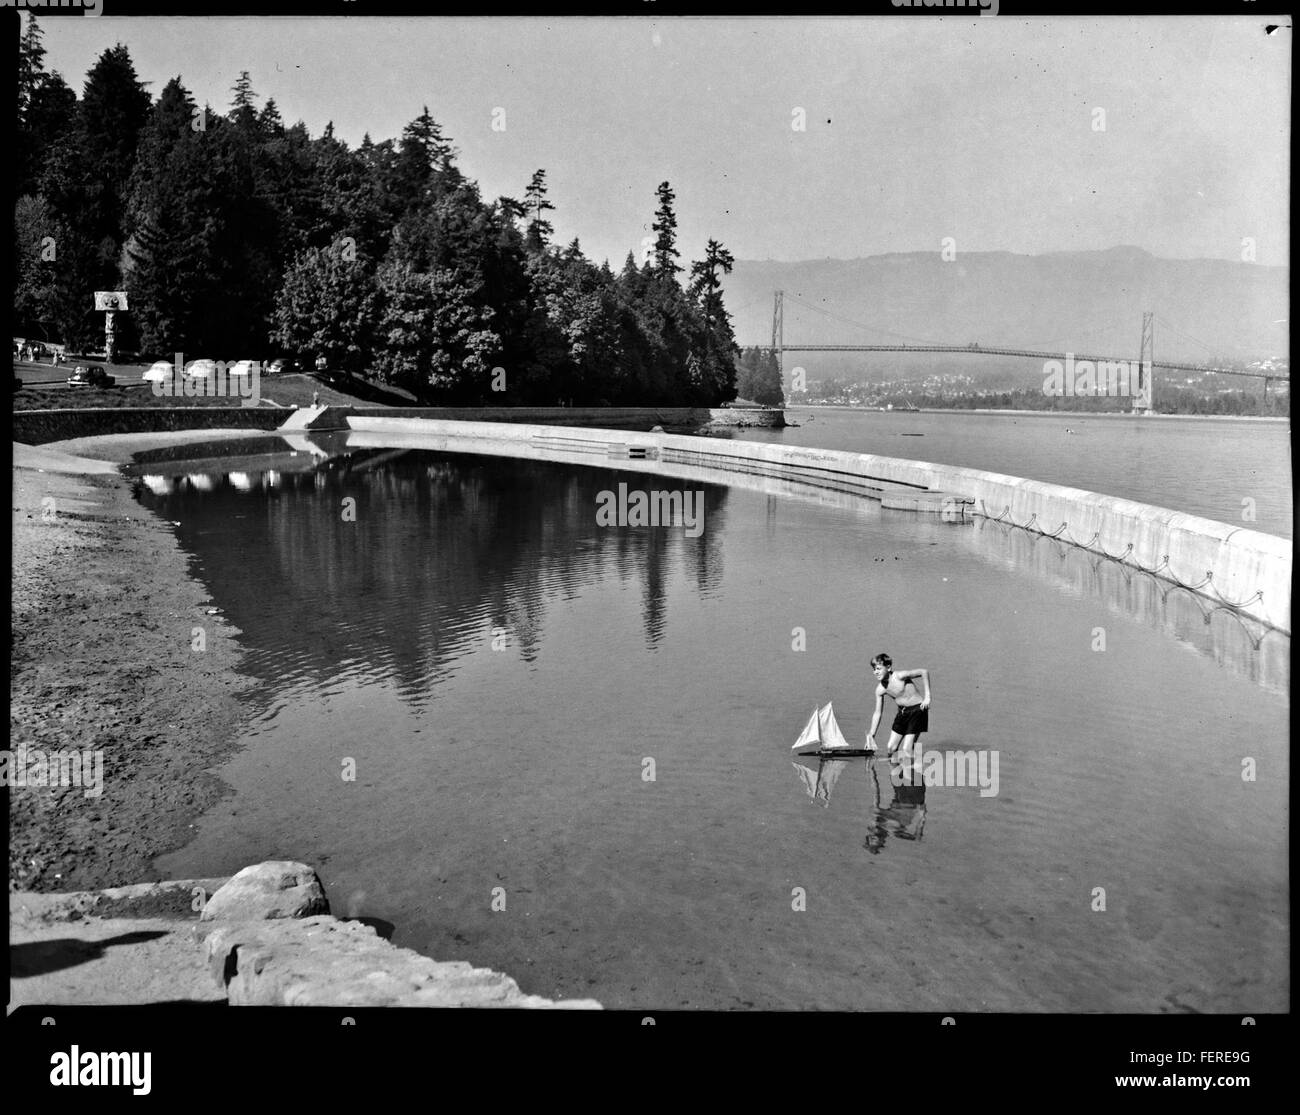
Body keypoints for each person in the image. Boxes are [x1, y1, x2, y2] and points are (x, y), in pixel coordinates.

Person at [866, 653, 931, 777]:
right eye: (874, 669)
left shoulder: (899, 676)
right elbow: (877, 713)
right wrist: (871, 735)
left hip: (917, 710)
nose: (875, 672)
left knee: (907, 748)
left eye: (879, 668)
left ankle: (914, 777)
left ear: (888, 667)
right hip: (902, 713)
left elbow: (924, 672)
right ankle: (897, 777)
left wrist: (927, 697)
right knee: (890, 748)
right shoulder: (880, 689)